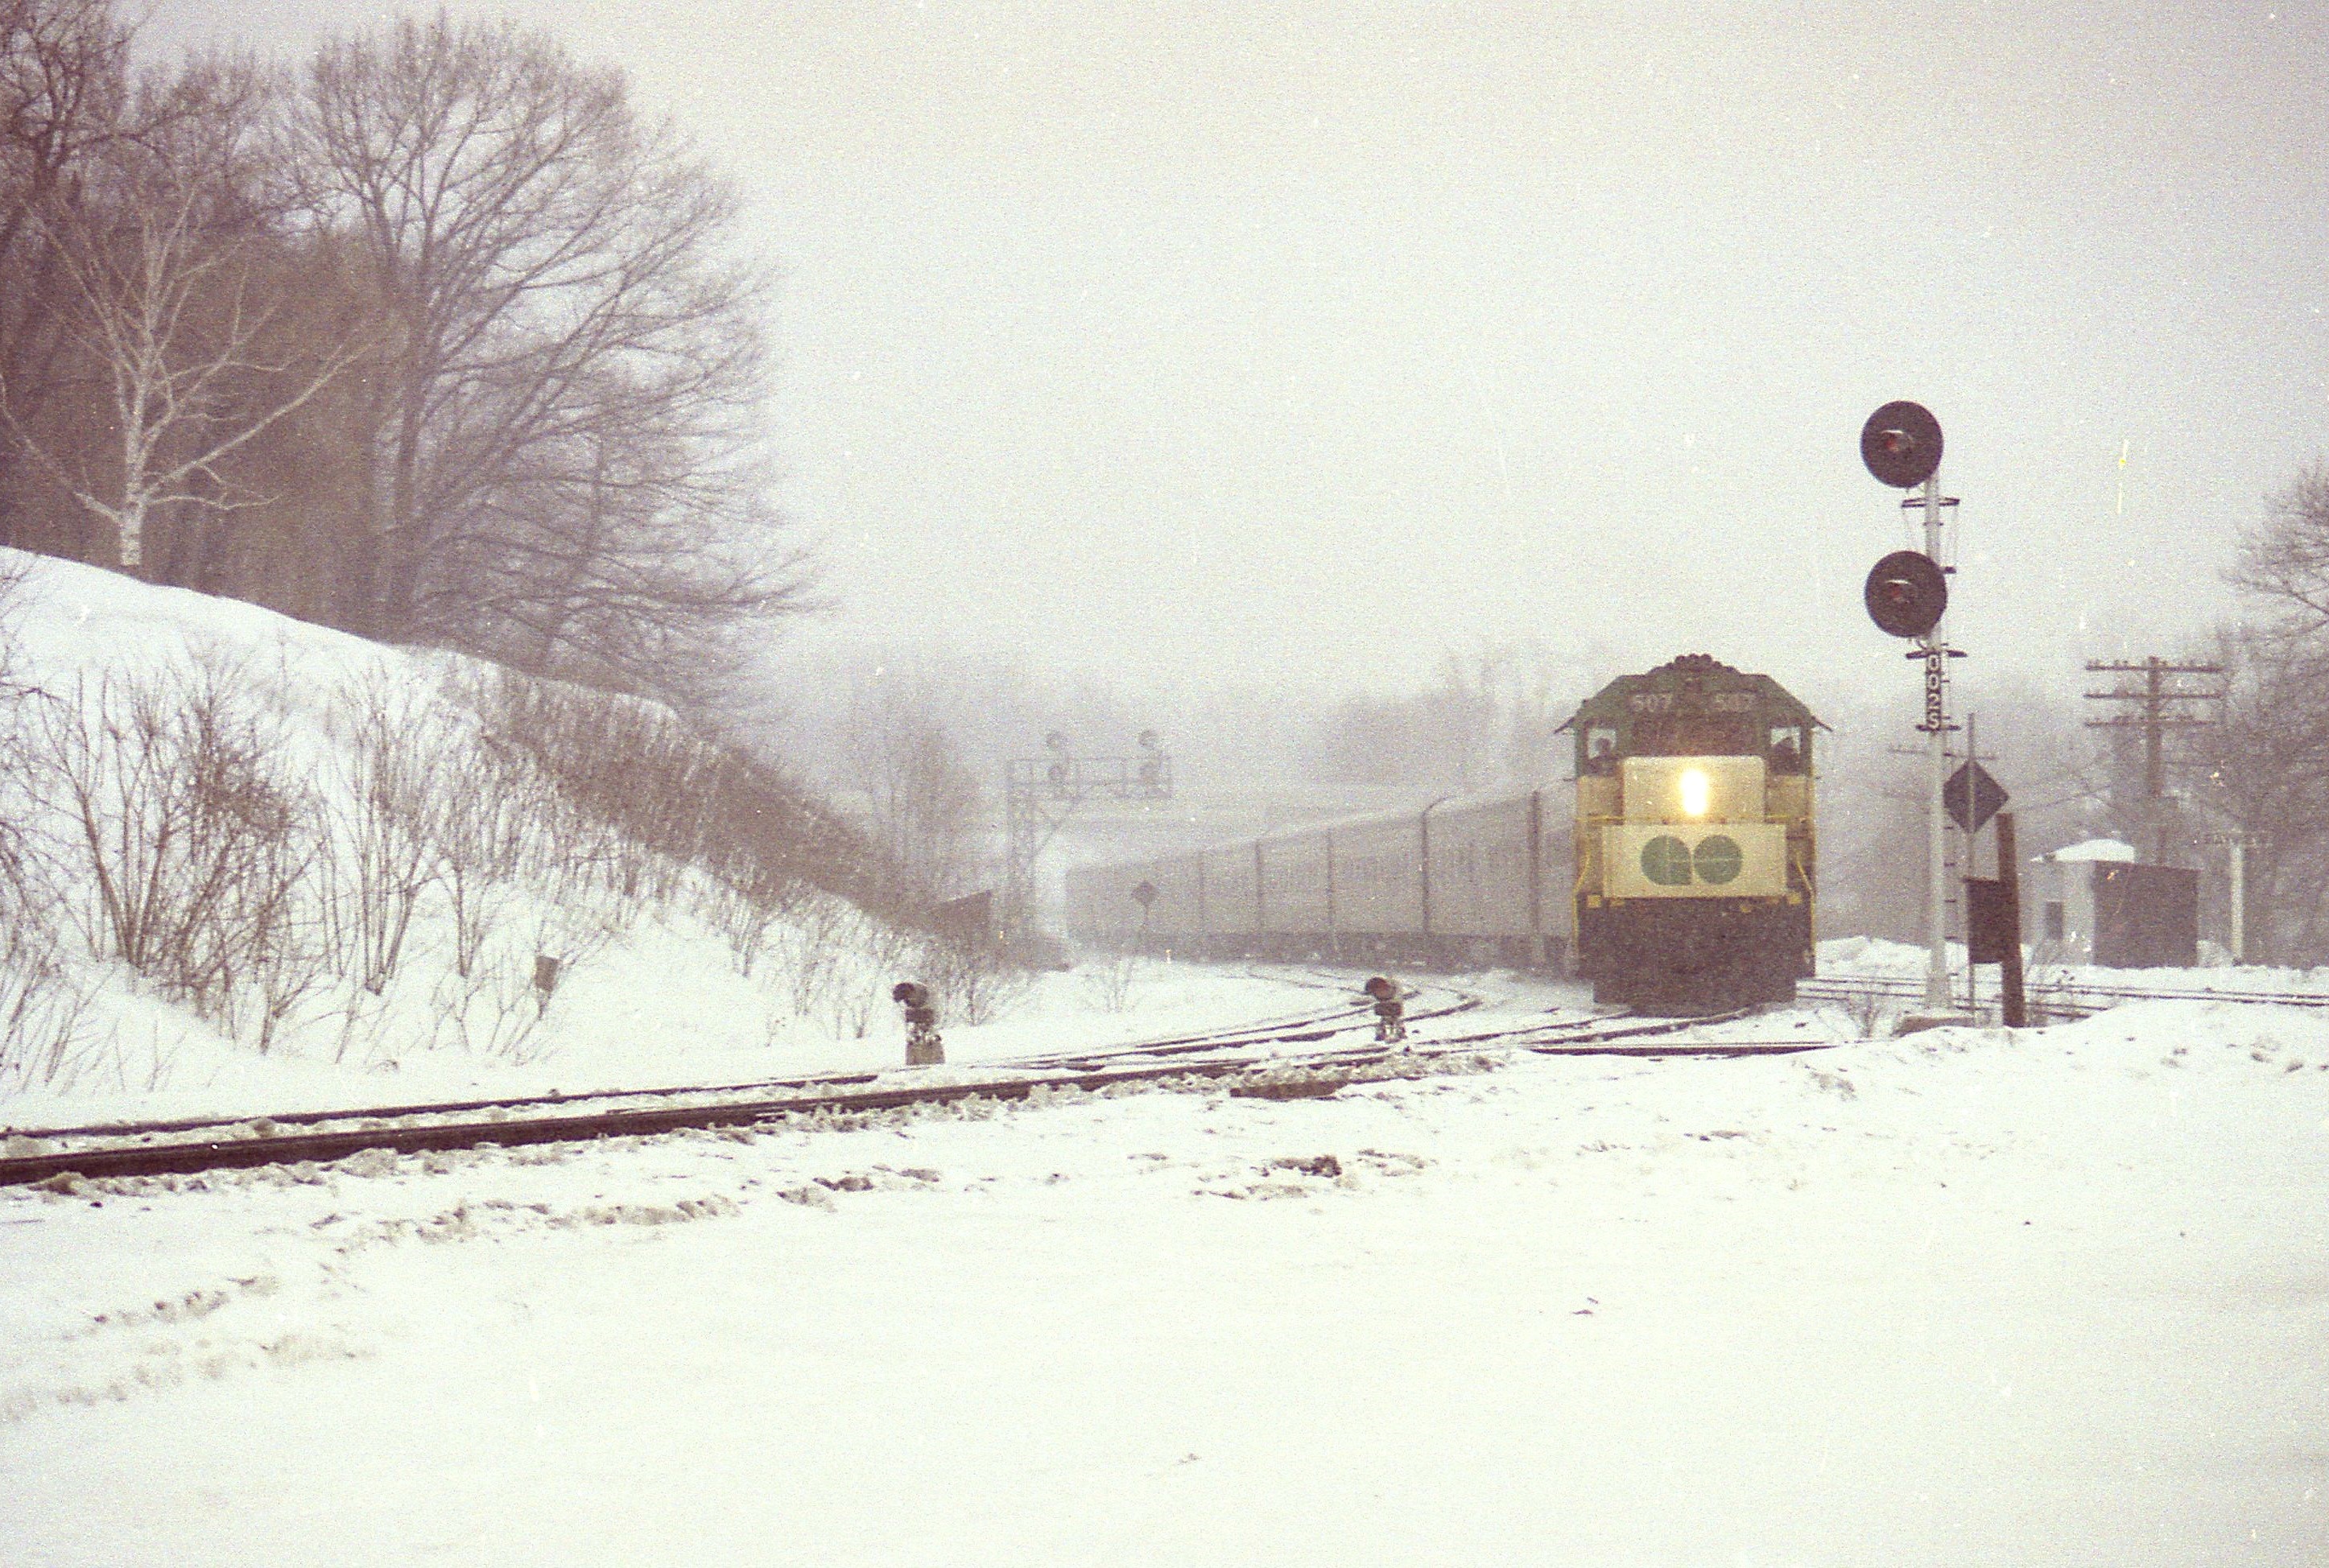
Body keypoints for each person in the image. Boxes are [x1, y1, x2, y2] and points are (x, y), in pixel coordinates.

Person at [892, 980, 944, 1065]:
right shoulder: (908, 998)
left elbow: (930, 1012)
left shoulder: (923, 994)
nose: (906, 1000)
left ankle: (931, 1055)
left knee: (929, 1036)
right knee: (914, 1038)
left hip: (926, 1005)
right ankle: (917, 1057)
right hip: (919, 1006)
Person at [1362, 976, 1406, 1045]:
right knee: (1387, 1018)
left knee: (1393, 1019)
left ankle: (1397, 1032)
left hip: (1394, 1002)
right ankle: (1386, 1032)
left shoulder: (1394, 988)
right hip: (1390, 1002)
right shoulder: (1386, 991)